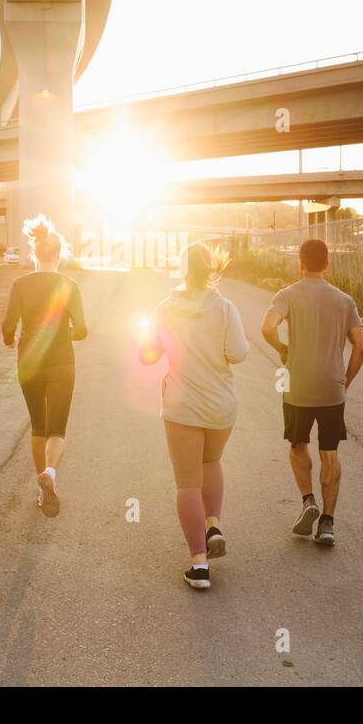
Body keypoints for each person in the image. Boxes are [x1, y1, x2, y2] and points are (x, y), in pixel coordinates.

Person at [138, 243, 248, 590]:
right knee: (211, 462)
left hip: (182, 406)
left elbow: (147, 355)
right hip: (220, 404)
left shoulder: (166, 308)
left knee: (187, 482)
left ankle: (199, 565)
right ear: (211, 268)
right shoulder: (226, 308)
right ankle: (212, 523)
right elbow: (238, 353)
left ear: (182, 269)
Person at [261, 238, 363, 547]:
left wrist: (282, 349)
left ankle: (308, 501)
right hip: (332, 388)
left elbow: (267, 327)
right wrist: (345, 381)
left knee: (297, 444)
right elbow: (360, 347)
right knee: (329, 452)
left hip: (298, 387)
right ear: (328, 263)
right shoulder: (345, 301)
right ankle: (328, 523)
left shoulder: (287, 295)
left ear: (300, 262)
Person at [1, 215, 87, 517]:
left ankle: (43, 490)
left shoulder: (20, 284)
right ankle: (50, 472)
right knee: (57, 428)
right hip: (62, 361)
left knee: (38, 425)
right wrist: (68, 332)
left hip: (29, 363)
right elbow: (82, 329)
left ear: (34, 253)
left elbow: (7, 328)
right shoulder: (69, 284)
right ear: (59, 254)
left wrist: (11, 340)